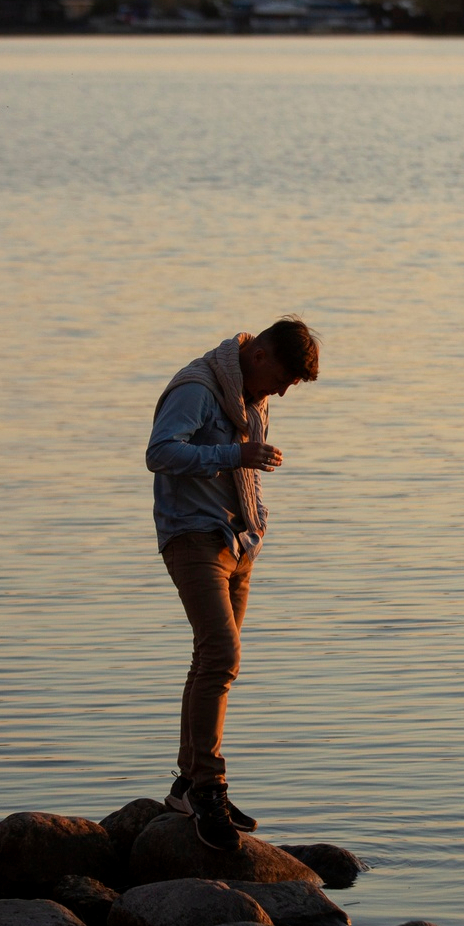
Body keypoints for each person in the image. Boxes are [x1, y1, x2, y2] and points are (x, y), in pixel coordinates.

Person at [145, 317, 320, 851]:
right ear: (261, 355)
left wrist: (256, 522)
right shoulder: (198, 388)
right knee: (221, 654)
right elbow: (160, 453)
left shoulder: (249, 392)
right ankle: (208, 787)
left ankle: (188, 783)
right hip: (192, 537)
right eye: (285, 379)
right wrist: (232, 454)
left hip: (236, 540)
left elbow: (244, 468)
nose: (284, 392)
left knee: (211, 662)